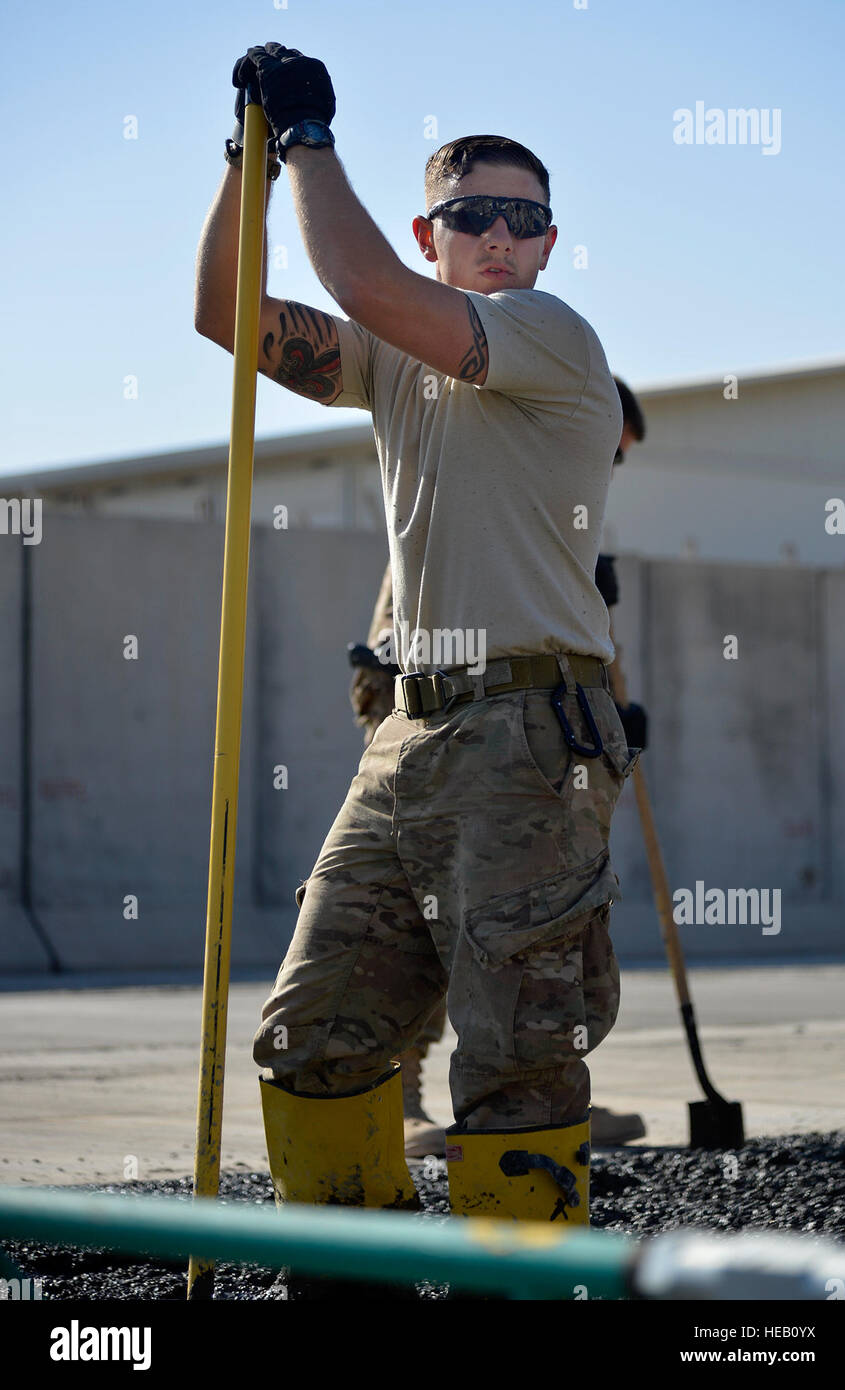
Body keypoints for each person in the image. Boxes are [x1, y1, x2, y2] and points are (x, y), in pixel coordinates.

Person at [195, 42, 638, 1225]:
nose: (502, 236)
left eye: (525, 220)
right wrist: (248, 159)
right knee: (313, 1039)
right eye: (473, 214)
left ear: (548, 244)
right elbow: (224, 313)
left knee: (512, 1067)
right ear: (430, 227)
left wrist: (308, 138)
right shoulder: (393, 357)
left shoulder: (551, 335)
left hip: (526, 741)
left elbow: (361, 281)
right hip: (406, 736)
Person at [350, 380, 649, 1157]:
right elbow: (398, 647)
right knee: (435, 927)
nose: (609, 470)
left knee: (536, 929)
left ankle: (531, 1086)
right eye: (610, 454)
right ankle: (406, 1098)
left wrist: (614, 711)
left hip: (536, 744)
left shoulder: (560, 516)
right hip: (435, 736)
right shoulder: (468, 508)